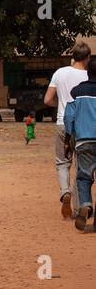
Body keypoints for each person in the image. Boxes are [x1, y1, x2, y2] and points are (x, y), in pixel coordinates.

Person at [45, 41, 92, 219]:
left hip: (62, 123)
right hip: (82, 126)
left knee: (62, 162)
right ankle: (80, 207)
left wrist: (61, 106)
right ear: (87, 57)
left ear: (73, 56)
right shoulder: (89, 76)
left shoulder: (60, 73)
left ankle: (65, 192)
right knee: (81, 167)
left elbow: (47, 100)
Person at [64, 63, 96, 231]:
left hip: (84, 141)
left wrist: (67, 140)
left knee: (84, 178)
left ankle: (86, 205)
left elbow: (69, 117)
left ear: (88, 73)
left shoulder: (76, 92)